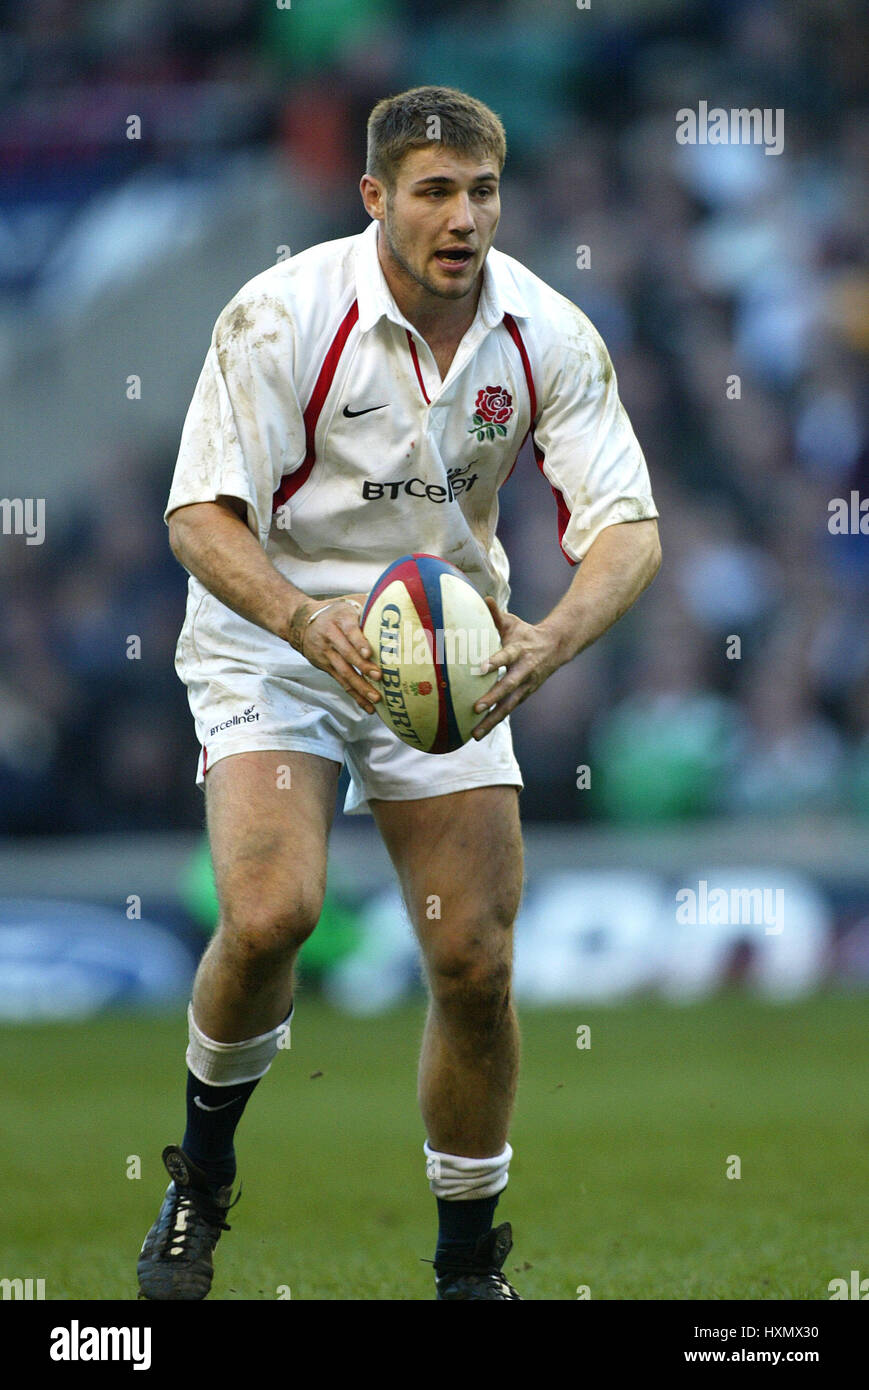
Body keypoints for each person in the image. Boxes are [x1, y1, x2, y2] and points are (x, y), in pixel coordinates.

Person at [137, 85, 661, 1302]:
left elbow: (627, 528)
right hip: (273, 630)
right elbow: (198, 516)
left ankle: (468, 1264)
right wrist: (303, 620)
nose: (463, 218)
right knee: (272, 911)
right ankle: (200, 1176)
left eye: (481, 191)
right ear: (373, 197)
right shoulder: (279, 313)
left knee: (473, 959)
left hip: (447, 646)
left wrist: (546, 644)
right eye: (433, 191)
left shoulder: (549, 333)